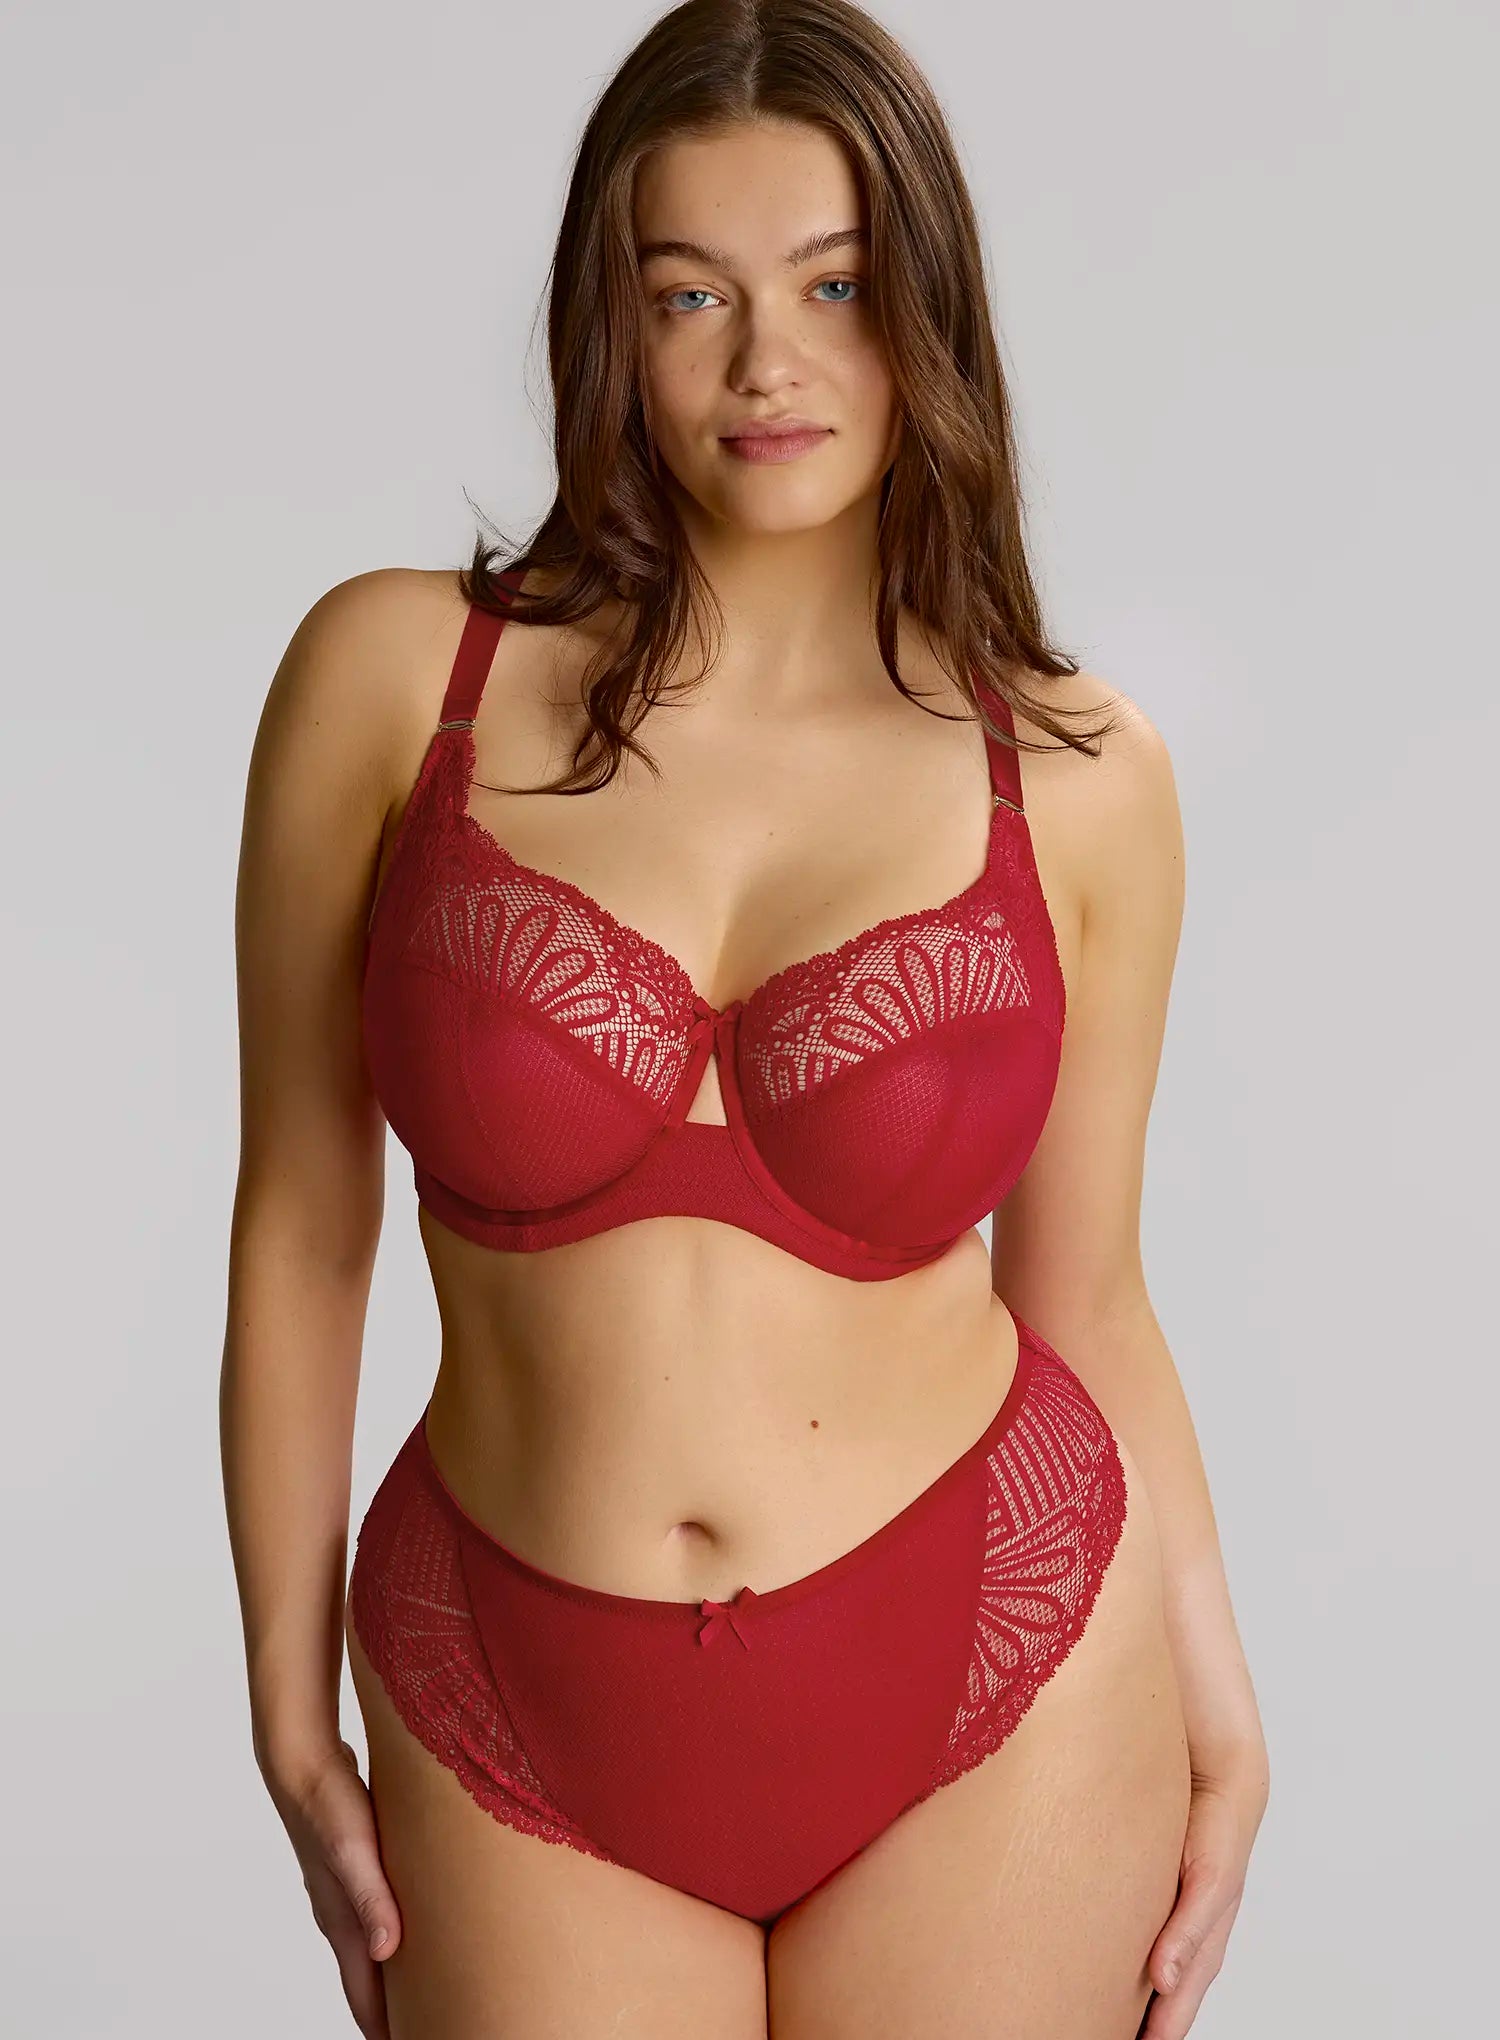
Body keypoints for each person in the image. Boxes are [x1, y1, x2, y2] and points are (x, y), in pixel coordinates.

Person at [221, 3, 1268, 2035]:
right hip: (508, 1678)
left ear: (928, 311)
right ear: (608, 326)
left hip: (996, 1678)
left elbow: (1088, 1292)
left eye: (835, 285)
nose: (765, 360)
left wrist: (1222, 1706)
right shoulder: (395, 683)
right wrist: (281, 1698)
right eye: (689, 292)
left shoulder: (1075, 774)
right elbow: (301, 1222)